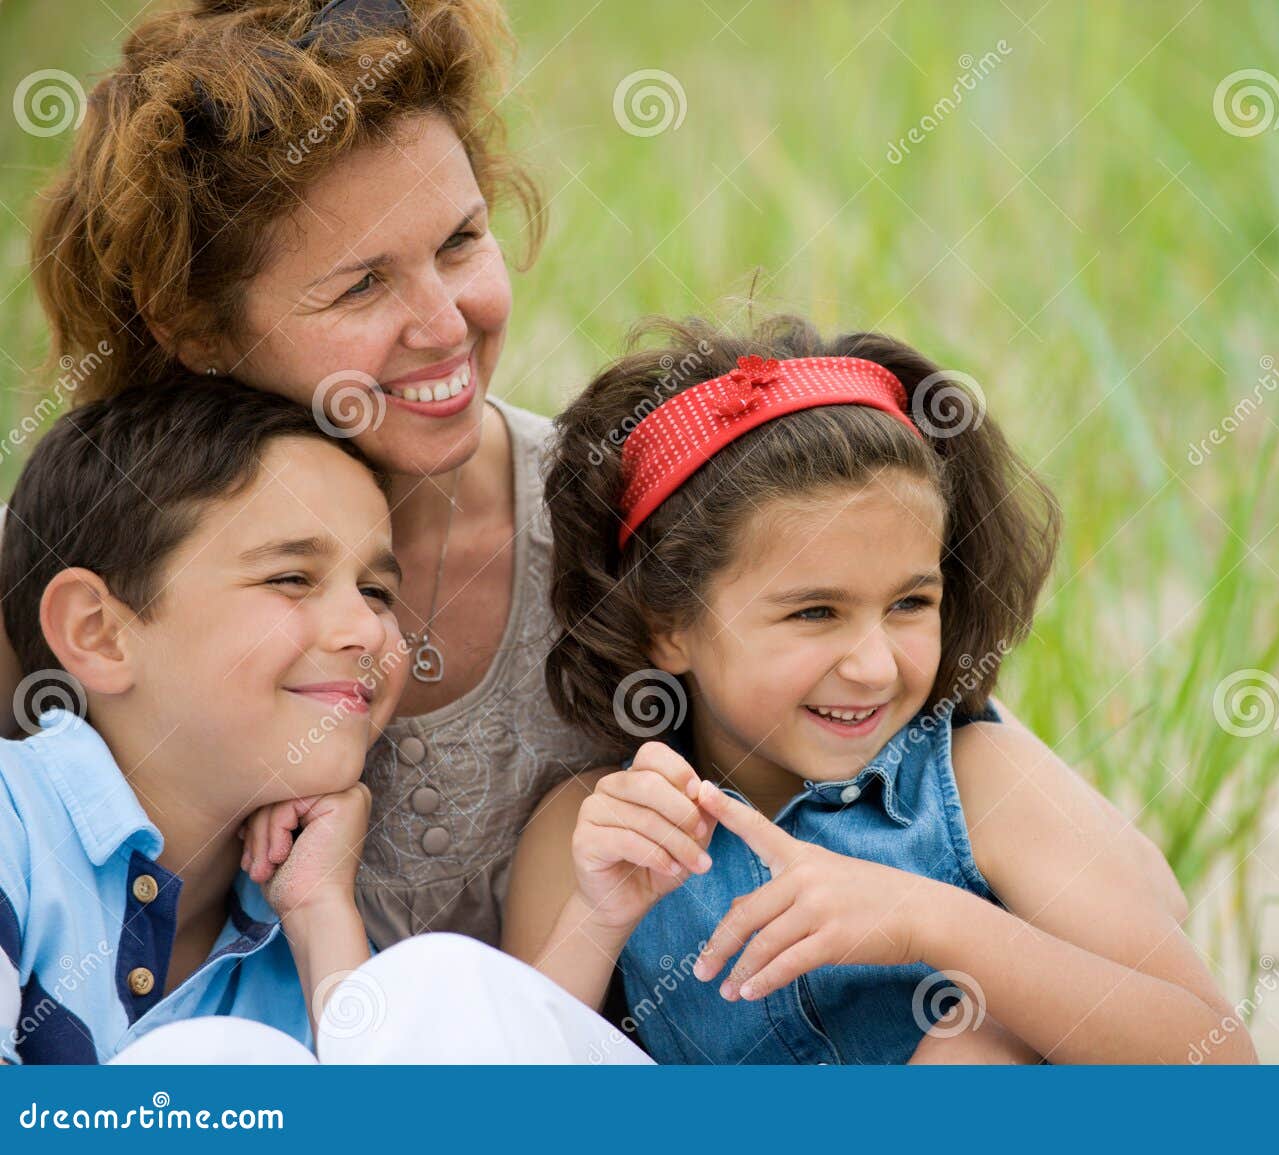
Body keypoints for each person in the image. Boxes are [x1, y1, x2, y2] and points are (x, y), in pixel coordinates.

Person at [12, 0, 1184, 957]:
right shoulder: (104, 555)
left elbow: (908, 732)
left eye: (462, 243)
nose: (445, 323)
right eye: (361, 285)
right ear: (195, 326)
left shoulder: (614, 507)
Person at [503, 317, 1254, 1063]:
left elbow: (1222, 1065)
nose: (874, 665)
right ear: (668, 625)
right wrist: (596, 922)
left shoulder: (980, 780)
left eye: (909, 604)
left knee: (986, 1032)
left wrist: (930, 920)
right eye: (815, 612)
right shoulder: (593, 833)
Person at [0, 379, 402, 1062]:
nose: (367, 627)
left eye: (377, 591)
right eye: (291, 578)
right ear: (98, 632)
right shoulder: (16, 828)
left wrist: (320, 918)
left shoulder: (310, 947)